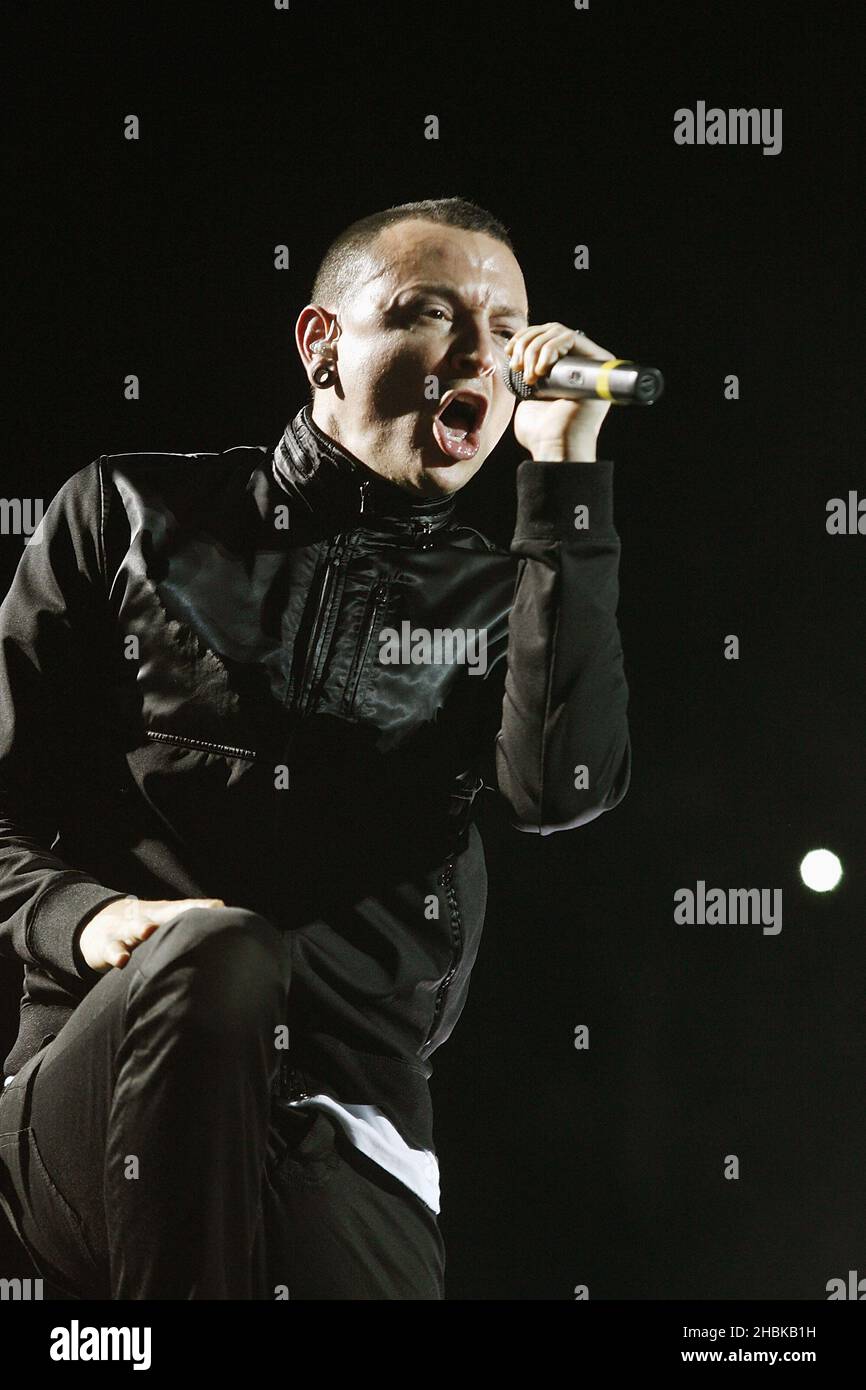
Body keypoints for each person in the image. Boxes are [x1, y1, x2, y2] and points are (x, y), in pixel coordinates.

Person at [0, 197, 631, 1300]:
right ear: (321, 345)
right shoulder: (130, 510)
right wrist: (93, 920)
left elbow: (560, 789)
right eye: (431, 314)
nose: (480, 352)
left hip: (348, 1125)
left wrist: (564, 472)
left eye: (507, 325)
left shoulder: (502, 598)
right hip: (98, 1084)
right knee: (218, 955)